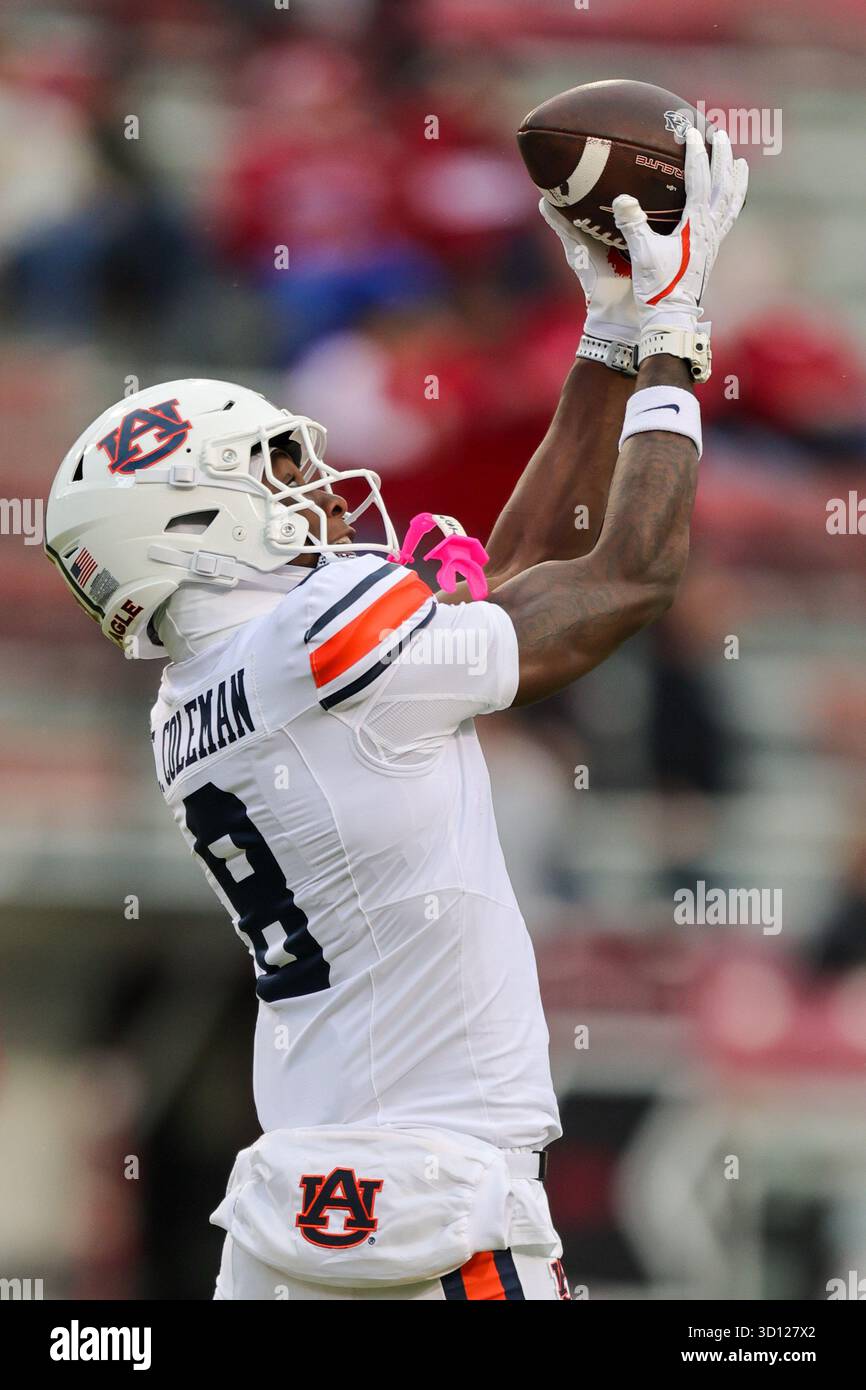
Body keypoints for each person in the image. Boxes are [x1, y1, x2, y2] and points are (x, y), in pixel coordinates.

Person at [44, 129, 747, 1300]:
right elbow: (622, 579)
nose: (309, 487)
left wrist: (606, 341)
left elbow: (507, 580)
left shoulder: (201, 695)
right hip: (437, 1201)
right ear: (188, 526)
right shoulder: (313, 640)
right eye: (268, 472)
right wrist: (673, 338)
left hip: (292, 1208)